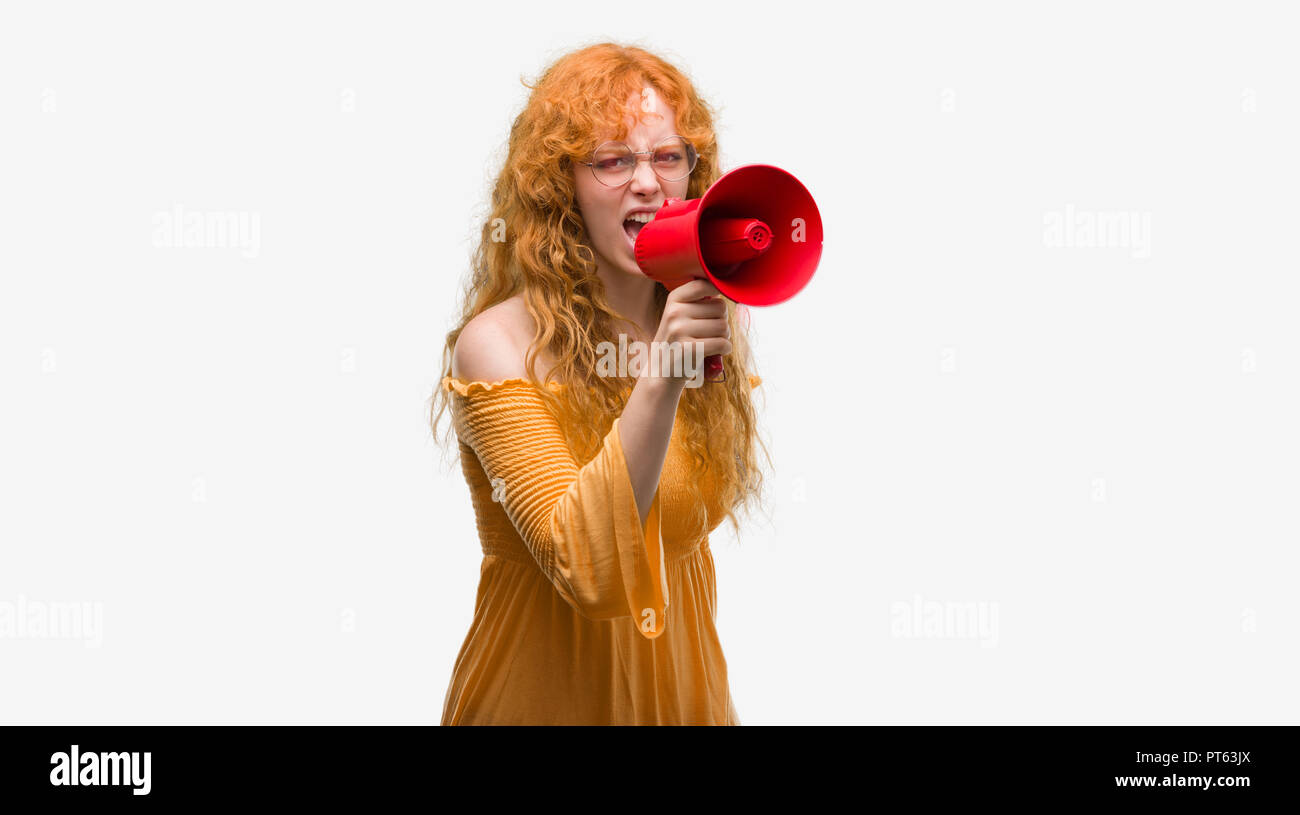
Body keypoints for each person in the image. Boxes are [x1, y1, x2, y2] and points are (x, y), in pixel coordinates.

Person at [429, 42, 767, 725]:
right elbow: (590, 568)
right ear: (563, 188)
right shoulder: (495, 347)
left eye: (668, 157)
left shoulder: (689, 318)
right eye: (613, 160)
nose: (647, 182)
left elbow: (685, 556)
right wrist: (661, 379)